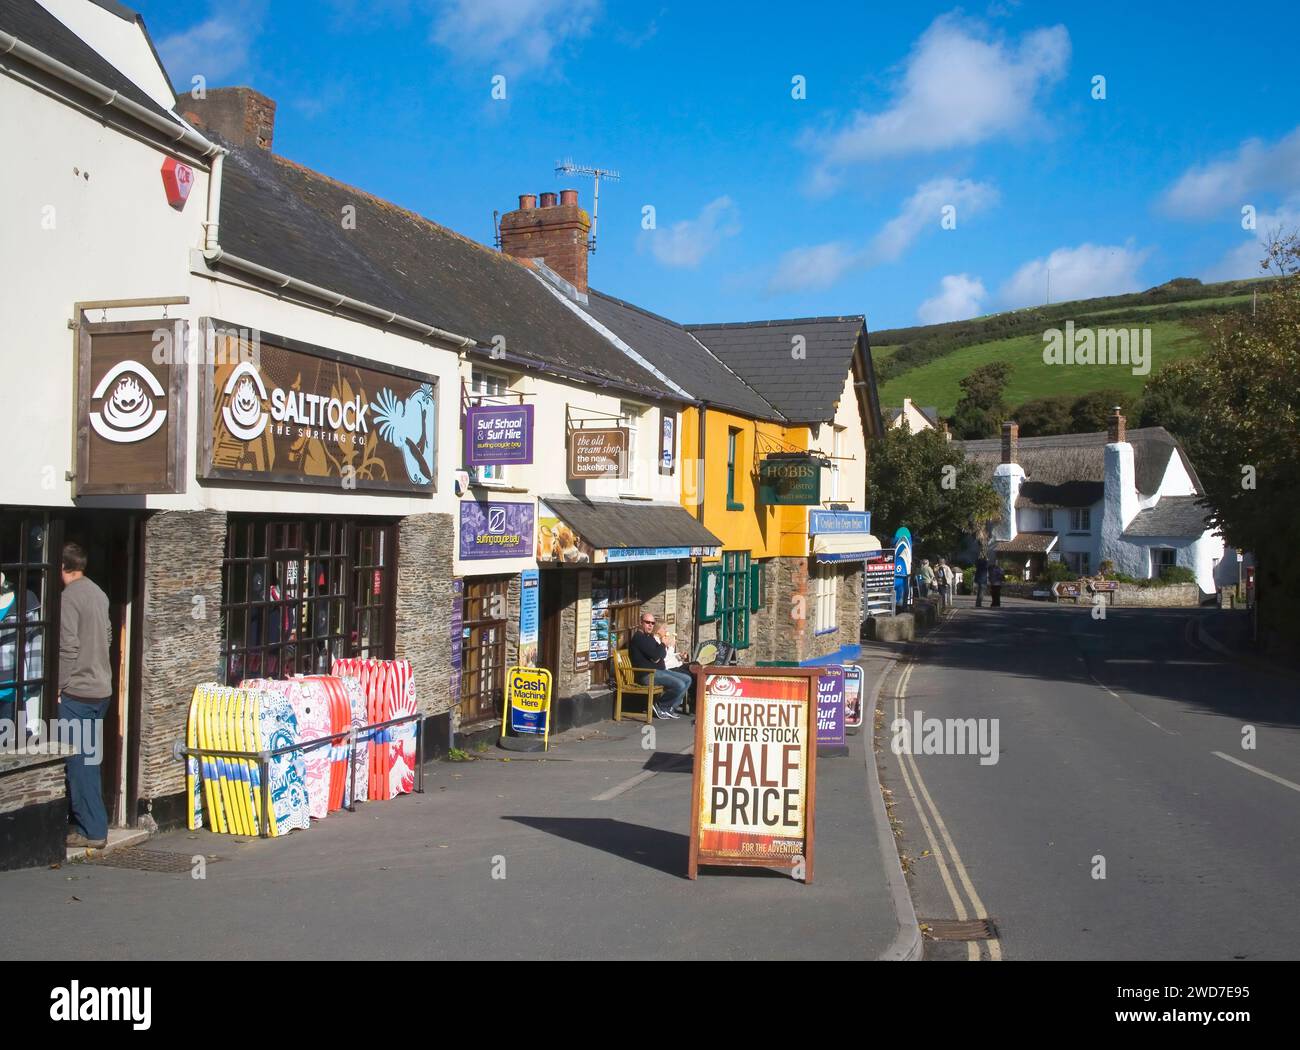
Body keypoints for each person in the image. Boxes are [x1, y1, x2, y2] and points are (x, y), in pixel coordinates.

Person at [58, 542, 113, 850]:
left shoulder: (69, 597)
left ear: (62, 567)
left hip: (78, 691)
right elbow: (106, 636)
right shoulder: (98, 592)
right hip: (101, 689)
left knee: (79, 763)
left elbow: (68, 647)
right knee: (89, 759)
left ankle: (93, 829)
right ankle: (88, 824)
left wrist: (58, 684)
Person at [628, 612, 691, 719]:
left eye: (652, 623)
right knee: (679, 684)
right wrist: (663, 645)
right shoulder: (639, 638)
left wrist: (661, 648)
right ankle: (661, 705)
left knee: (687, 679)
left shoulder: (649, 637)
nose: (650, 625)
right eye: (647, 622)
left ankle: (669, 708)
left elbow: (662, 655)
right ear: (640, 623)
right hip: (648, 675)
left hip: (659, 671)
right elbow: (656, 656)